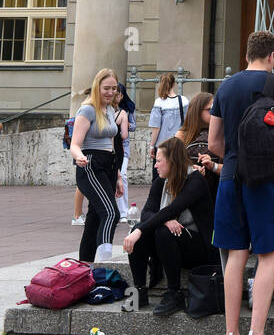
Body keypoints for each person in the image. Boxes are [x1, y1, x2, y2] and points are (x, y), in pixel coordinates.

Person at [208, 31, 274, 335]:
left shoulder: (226, 86)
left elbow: (214, 141)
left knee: (235, 255)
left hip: (230, 177)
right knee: (269, 254)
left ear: (246, 55)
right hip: (266, 177)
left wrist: (234, 155)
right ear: (272, 56)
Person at [122, 136, 218, 315]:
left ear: (172, 161)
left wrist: (153, 224)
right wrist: (162, 221)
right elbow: (147, 213)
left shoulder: (195, 180)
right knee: (144, 231)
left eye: (159, 161)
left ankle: (174, 293)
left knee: (161, 232)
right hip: (171, 243)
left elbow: (175, 207)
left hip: (201, 248)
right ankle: (140, 291)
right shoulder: (161, 180)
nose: (155, 166)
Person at [68, 68, 125, 262]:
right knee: (111, 213)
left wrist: (117, 176)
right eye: (106, 88)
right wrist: (80, 157)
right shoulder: (87, 109)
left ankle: (85, 266)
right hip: (91, 165)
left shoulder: (109, 110)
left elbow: (111, 145)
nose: (110, 92)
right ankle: (104, 263)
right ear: (96, 87)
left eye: (114, 89)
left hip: (108, 165)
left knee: (94, 217)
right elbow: (75, 144)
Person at [177, 90, 221, 201]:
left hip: (216, 190)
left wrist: (212, 165)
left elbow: (230, 169)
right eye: (210, 109)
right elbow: (173, 166)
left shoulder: (222, 134)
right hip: (189, 193)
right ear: (197, 111)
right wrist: (191, 169)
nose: (215, 112)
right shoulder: (182, 135)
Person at [147, 73, 189, 168]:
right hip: (178, 144)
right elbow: (188, 124)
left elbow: (156, 128)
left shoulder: (159, 103)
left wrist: (151, 146)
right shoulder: (184, 100)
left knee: (159, 176)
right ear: (174, 84)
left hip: (162, 145)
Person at [114, 80, 136, 221]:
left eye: (117, 94)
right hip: (111, 147)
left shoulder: (126, 110)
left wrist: (126, 124)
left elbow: (133, 126)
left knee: (122, 176)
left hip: (123, 147)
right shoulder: (108, 109)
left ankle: (123, 210)